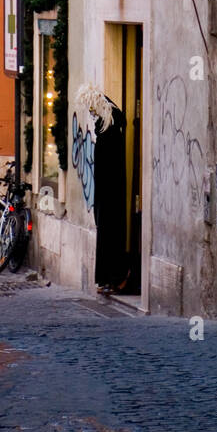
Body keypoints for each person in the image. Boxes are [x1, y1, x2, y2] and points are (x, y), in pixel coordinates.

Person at [76, 84, 129, 293]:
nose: (90, 114)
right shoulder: (107, 128)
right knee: (106, 234)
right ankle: (107, 278)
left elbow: (108, 163)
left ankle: (115, 276)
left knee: (111, 234)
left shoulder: (110, 129)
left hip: (110, 191)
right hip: (105, 190)